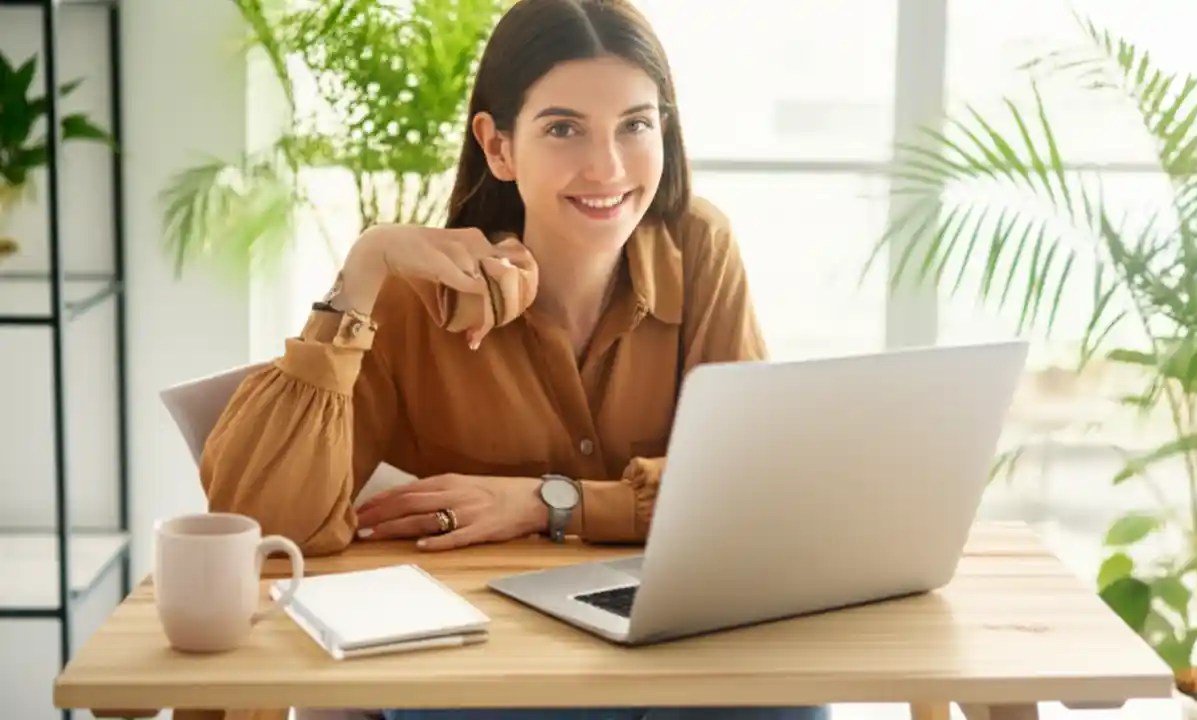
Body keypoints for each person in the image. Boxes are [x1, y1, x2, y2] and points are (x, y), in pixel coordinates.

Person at [197, 1, 829, 719]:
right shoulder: (413, 294)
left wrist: (545, 501)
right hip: (476, 656)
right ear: (498, 147)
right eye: (564, 128)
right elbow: (266, 527)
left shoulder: (700, 248)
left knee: (780, 700)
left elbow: (751, 491)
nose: (608, 167)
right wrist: (364, 267)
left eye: (636, 124)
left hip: (666, 641)